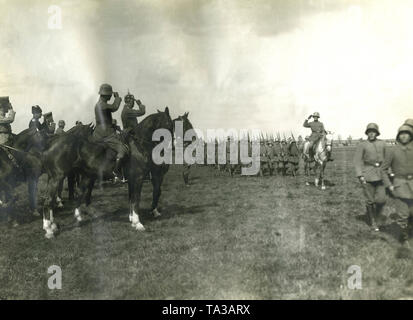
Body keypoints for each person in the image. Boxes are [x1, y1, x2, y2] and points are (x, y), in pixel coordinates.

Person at [382, 124, 413, 244]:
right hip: (399, 186)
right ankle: (402, 240)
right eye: (402, 134)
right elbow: (383, 170)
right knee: (402, 215)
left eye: (407, 134)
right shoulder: (392, 151)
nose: (404, 136)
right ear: (398, 136)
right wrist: (389, 185)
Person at [353, 123, 387, 231]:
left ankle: (375, 216)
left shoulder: (383, 143)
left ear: (377, 133)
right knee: (370, 200)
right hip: (367, 175)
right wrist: (360, 175)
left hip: (381, 175)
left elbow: (387, 159)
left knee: (381, 200)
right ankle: (373, 222)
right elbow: (357, 161)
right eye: (369, 131)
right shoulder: (362, 145)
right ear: (367, 133)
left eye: (373, 131)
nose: (371, 133)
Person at [93, 83, 127, 182]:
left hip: (100, 132)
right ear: (107, 95)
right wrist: (118, 98)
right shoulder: (102, 104)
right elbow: (114, 107)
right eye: (110, 94)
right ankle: (115, 172)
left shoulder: (100, 104)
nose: (111, 96)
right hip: (106, 134)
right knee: (123, 150)